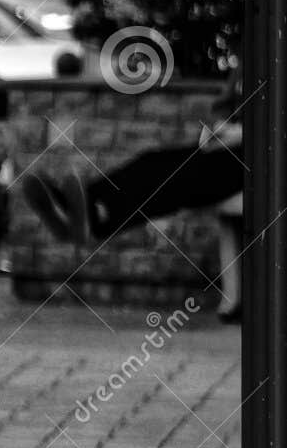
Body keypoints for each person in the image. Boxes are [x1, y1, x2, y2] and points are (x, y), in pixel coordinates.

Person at [22, 71, 244, 321]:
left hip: (256, 162)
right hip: (227, 150)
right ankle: (81, 209)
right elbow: (222, 107)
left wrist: (242, 134)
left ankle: (94, 218)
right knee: (151, 161)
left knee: (175, 180)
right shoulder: (247, 64)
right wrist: (220, 126)